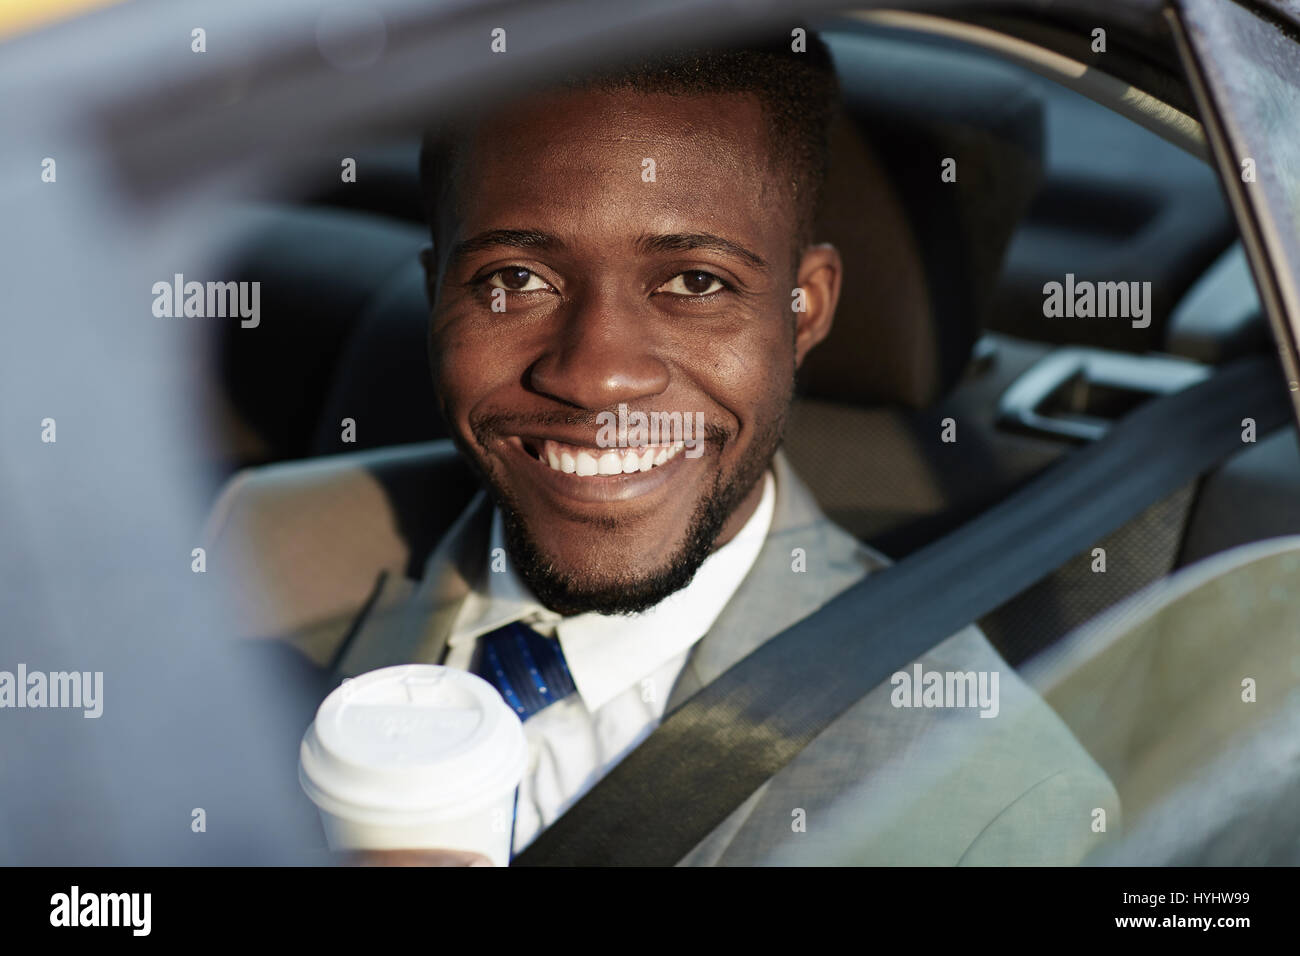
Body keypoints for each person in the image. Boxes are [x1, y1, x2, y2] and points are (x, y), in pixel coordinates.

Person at [212, 30, 1119, 865]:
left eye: (695, 281)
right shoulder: (258, 556)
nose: (596, 375)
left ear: (806, 307)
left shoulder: (991, 809)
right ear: (436, 292)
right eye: (514, 278)